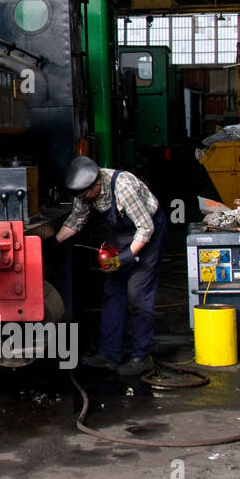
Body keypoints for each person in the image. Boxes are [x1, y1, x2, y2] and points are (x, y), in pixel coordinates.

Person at [55, 156, 167, 375]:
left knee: (137, 294)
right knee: (113, 291)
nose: (84, 199)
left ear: (97, 184)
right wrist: (54, 242)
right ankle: (109, 354)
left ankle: (141, 356)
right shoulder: (83, 191)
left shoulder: (123, 186)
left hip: (149, 234)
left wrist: (124, 259)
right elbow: (77, 220)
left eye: (86, 194)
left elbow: (145, 228)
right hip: (122, 235)